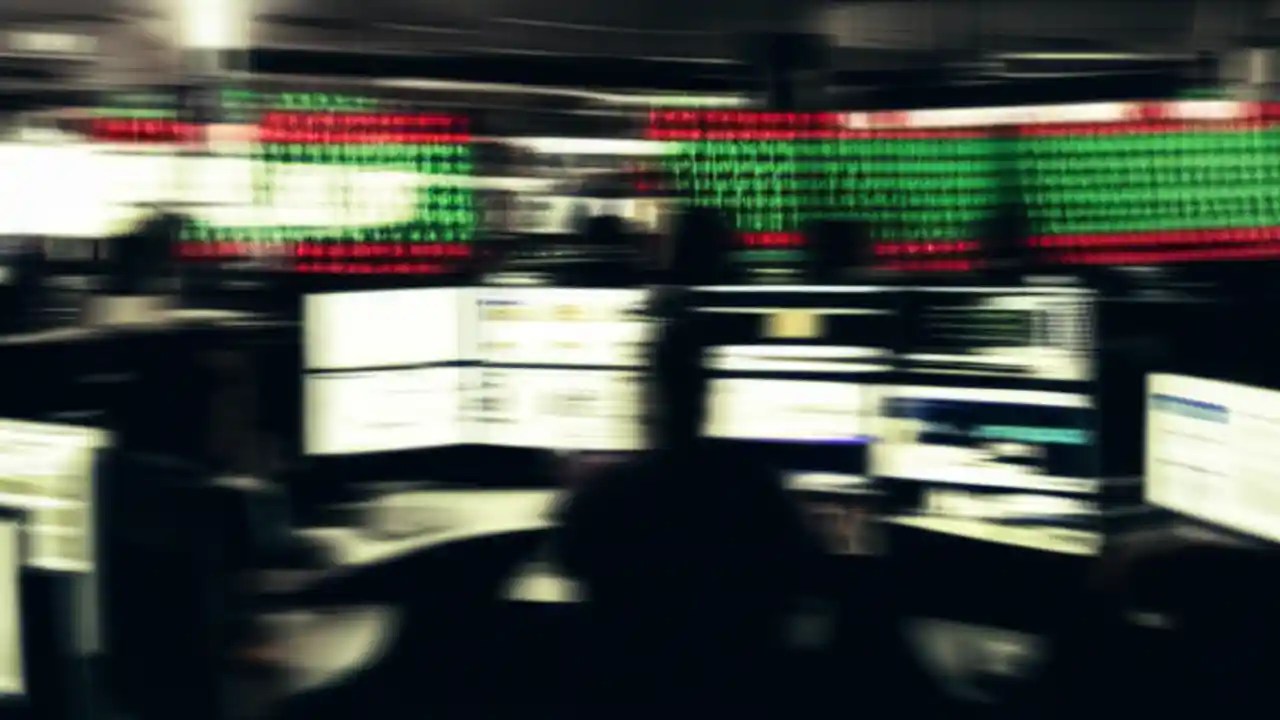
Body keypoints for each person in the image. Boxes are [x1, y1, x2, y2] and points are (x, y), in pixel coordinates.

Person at [554, 282, 825, 717]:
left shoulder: (606, 497)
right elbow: (810, 565)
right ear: (706, 398)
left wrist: (583, 482)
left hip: (631, 696)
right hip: (730, 695)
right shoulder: (756, 488)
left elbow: (566, 555)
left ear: (647, 400)